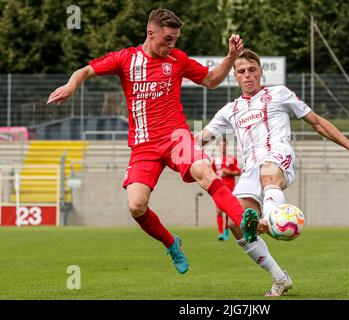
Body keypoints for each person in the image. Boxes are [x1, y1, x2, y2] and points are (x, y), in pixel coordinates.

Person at [46, 9, 259, 275]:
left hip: (176, 138)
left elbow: (212, 80)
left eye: (175, 39)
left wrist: (230, 57)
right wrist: (71, 85)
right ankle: (172, 244)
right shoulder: (125, 59)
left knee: (205, 171)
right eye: (168, 38)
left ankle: (243, 222)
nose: (173, 44)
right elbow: (86, 70)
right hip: (144, 146)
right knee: (136, 206)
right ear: (151, 33)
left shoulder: (177, 59)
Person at [197, 49, 349, 296]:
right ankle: (280, 277)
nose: (247, 75)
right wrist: (171, 149)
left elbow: (316, 122)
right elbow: (202, 138)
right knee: (234, 222)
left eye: (252, 70)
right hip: (250, 166)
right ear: (235, 77)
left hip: (278, 155)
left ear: (260, 72)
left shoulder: (279, 94)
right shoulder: (229, 110)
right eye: (241, 72)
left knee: (268, 174)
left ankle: (269, 219)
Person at [211, 137, 241, 241]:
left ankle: (227, 231)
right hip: (218, 188)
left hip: (230, 188)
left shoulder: (232, 159)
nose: (222, 147)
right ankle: (221, 233)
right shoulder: (215, 160)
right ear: (218, 146)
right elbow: (211, 173)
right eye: (220, 145)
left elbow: (239, 172)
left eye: (224, 145)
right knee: (219, 211)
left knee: (228, 212)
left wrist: (229, 172)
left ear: (226, 146)